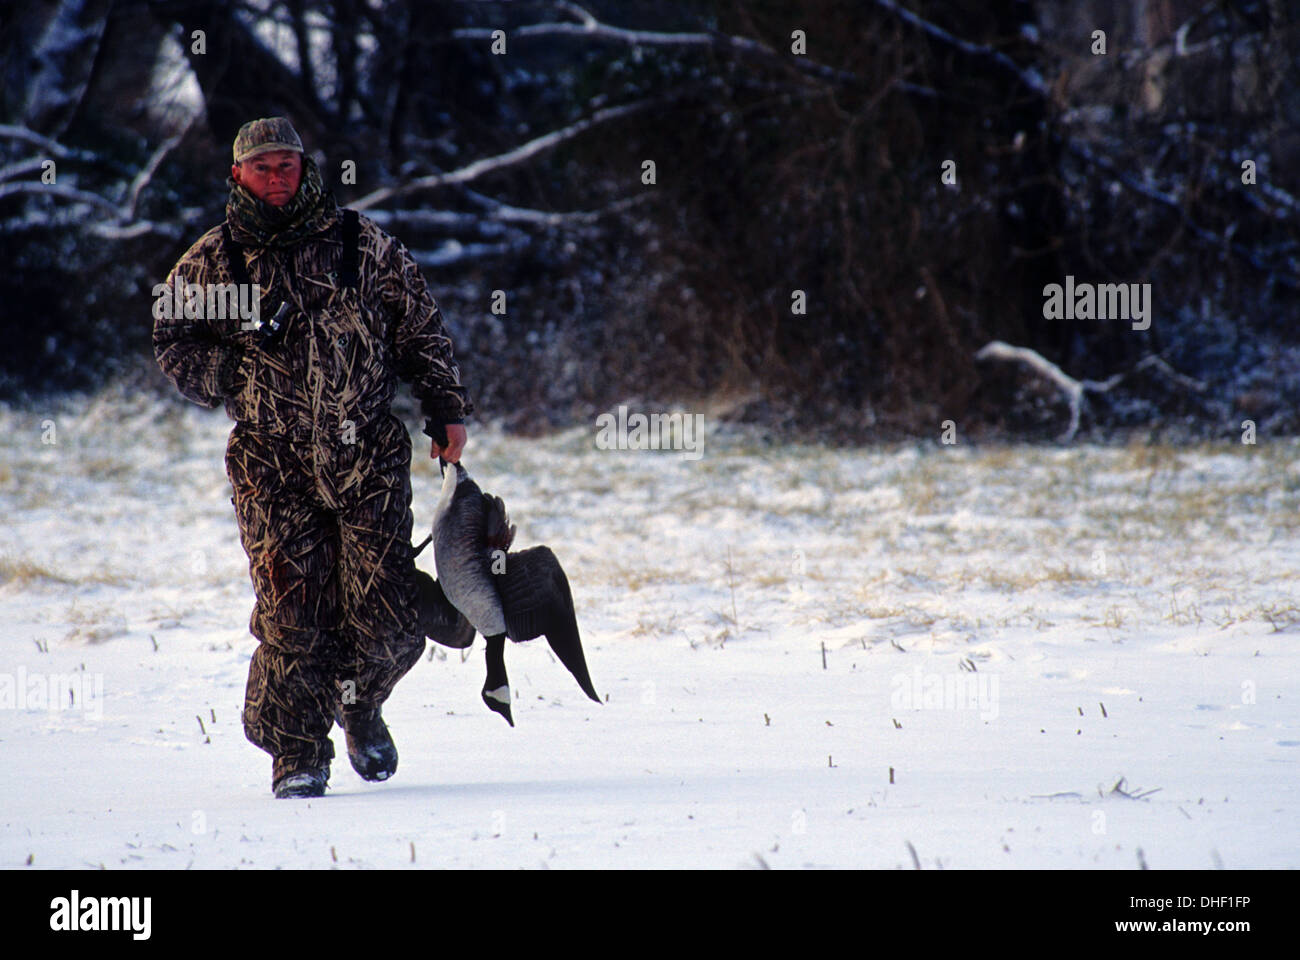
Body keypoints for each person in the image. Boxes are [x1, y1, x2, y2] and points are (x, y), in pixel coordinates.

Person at [153, 117, 471, 798]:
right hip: (272, 462)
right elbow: (172, 340)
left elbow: (421, 330)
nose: (276, 178)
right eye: (261, 168)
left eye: (286, 166)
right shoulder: (214, 261)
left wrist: (446, 409)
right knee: (294, 616)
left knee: (388, 619)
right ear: (237, 174)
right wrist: (232, 372)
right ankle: (296, 753)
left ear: (305, 168)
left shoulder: (364, 246)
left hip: (368, 460)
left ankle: (359, 705)